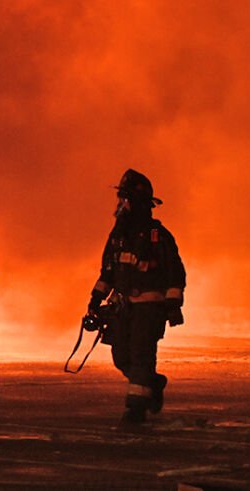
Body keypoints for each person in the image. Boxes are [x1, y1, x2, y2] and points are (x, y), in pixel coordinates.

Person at [87, 168, 186, 424]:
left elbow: (175, 272)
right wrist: (95, 300)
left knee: (141, 355)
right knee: (121, 356)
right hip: (123, 308)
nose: (121, 204)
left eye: (125, 198)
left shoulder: (158, 236)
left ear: (137, 201)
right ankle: (152, 382)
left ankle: (136, 409)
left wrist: (173, 305)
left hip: (149, 309)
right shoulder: (117, 236)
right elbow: (108, 271)